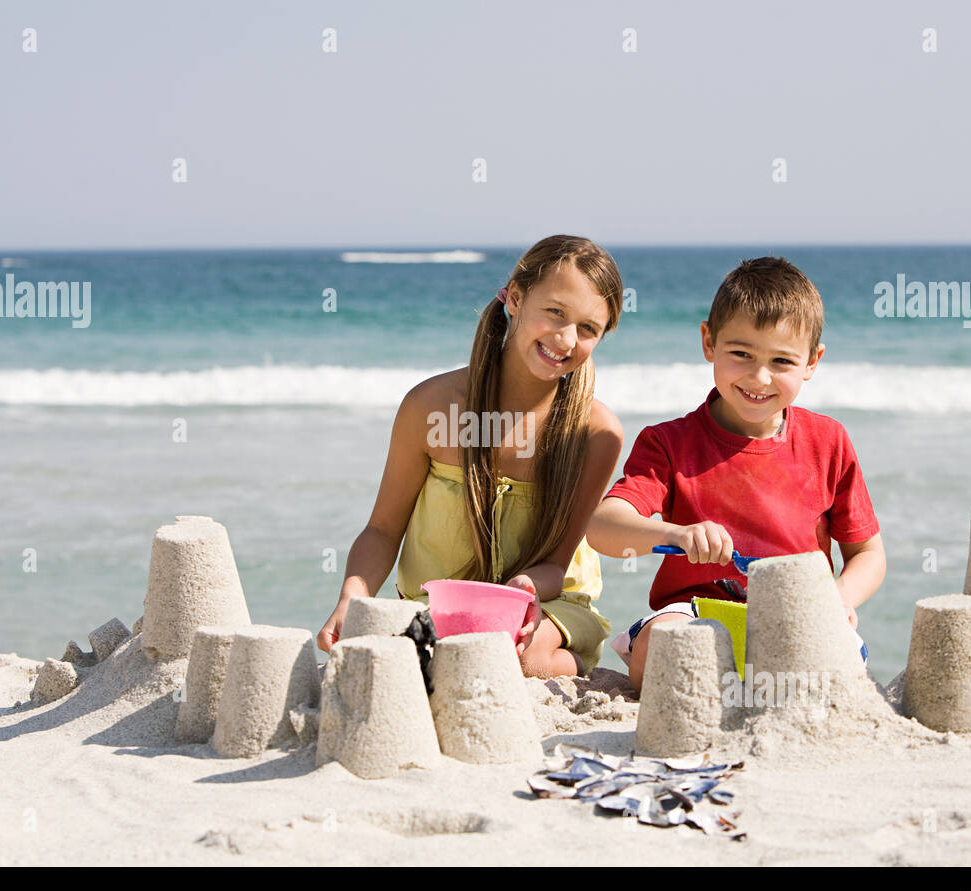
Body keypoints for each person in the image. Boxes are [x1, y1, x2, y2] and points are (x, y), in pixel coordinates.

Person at [317, 235, 624, 677]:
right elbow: (382, 530)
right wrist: (353, 595)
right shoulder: (430, 407)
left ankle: (576, 665)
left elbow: (557, 564)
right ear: (515, 298)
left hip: (547, 602)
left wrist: (525, 590)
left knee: (518, 660)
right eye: (555, 312)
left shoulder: (596, 433)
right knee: (413, 665)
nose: (565, 338)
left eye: (588, 328)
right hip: (440, 605)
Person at [587, 256, 885, 692]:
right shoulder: (668, 443)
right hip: (695, 611)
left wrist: (836, 600)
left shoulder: (829, 441)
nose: (759, 377)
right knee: (664, 648)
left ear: (812, 362)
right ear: (708, 341)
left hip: (798, 613)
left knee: (836, 677)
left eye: (782, 361)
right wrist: (676, 535)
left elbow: (868, 556)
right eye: (741, 353)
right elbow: (603, 527)